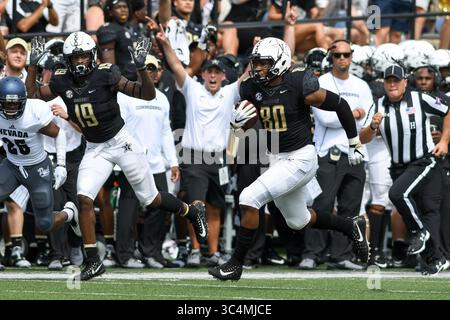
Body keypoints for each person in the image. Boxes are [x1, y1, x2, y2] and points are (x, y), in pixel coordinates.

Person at [25, 31, 208, 281]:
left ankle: (191, 211)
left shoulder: (106, 73)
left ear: (92, 56)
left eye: (83, 56)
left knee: (151, 198)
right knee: (84, 199)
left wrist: (141, 67)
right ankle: (93, 261)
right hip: (95, 147)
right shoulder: (61, 80)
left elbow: (146, 94)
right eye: (74, 58)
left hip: (122, 142)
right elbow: (33, 96)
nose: (79, 62)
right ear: (67, 60)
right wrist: (33, 67)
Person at [207, 37, 369, 281]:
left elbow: (341, 105)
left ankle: (236, 263)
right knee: (298, 220)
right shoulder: (252, 87)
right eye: (256, 63)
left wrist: (354, 141)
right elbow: (244, 128)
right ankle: (351, 226)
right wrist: (236, 126)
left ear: (280, 62)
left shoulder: (298, 82)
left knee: (249, 197)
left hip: (302, 157)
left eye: (264, 63)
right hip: (277, 158)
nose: (258, 68)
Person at [360, 65, 450, 275]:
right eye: (388, 80)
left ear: (404, 83)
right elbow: (362, 138)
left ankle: (420, 234)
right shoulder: (378, 105)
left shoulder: (419, 99)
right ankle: (434, 259)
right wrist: (372, 127)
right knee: (420, 210)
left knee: (400, 195)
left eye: (396, 80)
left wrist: (445, 141)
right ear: (383, 83)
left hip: (423, 161)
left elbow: (447, 111)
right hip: (399, 167)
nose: (392, 84)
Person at [0, 76, 81, 259]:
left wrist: (60, 164)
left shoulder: (33, 114)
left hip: (37, 169)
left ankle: (68, 214)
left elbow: (59, 134)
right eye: (7, 104)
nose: (12, 108)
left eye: (15, 104)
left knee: (44, 224)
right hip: (12, 165)